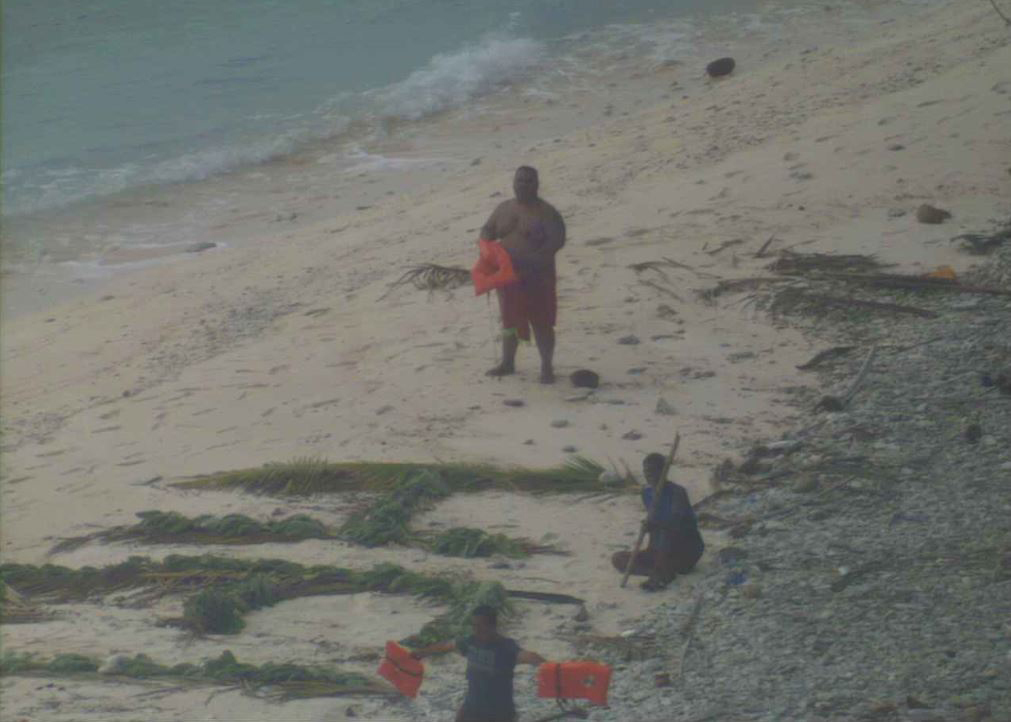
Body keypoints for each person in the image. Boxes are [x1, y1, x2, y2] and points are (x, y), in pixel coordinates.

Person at [480, 166, 566, 384]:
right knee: (509, 320)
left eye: (529, 181)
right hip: (508, 276)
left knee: (541, 322)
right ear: (513, 183)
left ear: (537, 184)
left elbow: (556, 242)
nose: (523, 185)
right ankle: (507, 362)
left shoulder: (546, 212)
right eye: (520, 181)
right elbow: (487, 230)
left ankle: (547, 367)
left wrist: (531, 261)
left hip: (538, 276)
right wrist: (488, 250)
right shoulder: (504, 209)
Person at [410, 605, 546, 722]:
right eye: (474, 625)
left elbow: (527, 656)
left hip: (499, 714)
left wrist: (550, 667)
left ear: (493, 626)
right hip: (472, 708)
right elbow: (448, 645)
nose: (477, 630)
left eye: (481, 626)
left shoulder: (505, 647)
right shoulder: (470, 642)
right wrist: (421, 653)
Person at [611, 452, 705, 591]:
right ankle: (655, 572)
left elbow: (676, 524)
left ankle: (662, 571)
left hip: (684, 549)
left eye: (652, 470)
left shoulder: (677, 492)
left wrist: (654, 525)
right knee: (618, 559)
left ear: (663, 471)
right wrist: (647, 527)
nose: (648, 474)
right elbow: (654, 521)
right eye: (646, 471)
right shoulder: (647, 493)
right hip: (658, 549)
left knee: (667, 537)